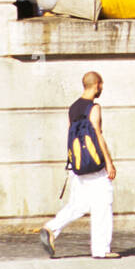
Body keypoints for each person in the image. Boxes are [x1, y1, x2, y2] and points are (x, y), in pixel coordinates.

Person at [40, 71, 119, 259]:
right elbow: (98, 136)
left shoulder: (73, 108)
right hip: (95, 167)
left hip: (78, 167)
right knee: (103, 205)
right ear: (97, 84)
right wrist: (109, 163)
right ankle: (101, 250)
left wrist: (73, 162)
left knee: (78, 205)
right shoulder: (94, 108)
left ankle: (51, 228)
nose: (102, 89)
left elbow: (70, 135)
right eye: (101, 85)